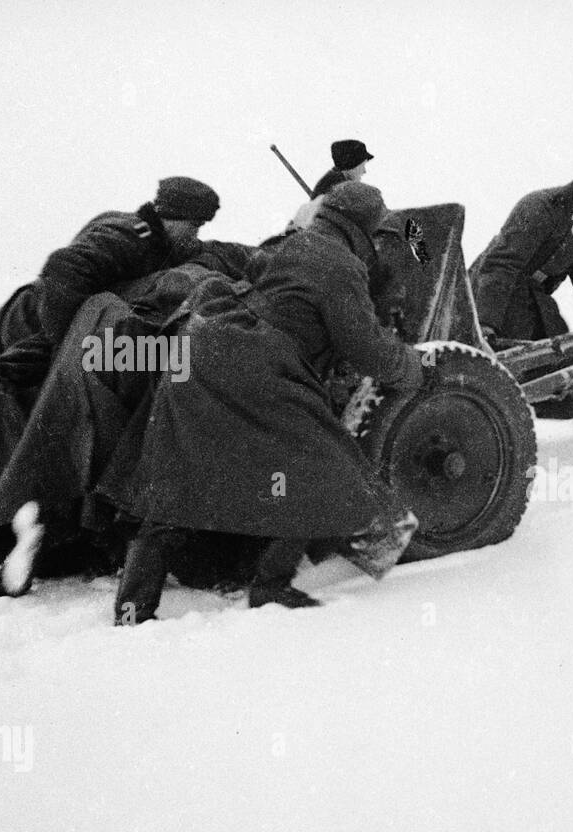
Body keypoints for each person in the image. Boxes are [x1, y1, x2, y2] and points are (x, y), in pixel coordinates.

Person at [106, 182, 424, 624]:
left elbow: (254, 271)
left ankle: (132, 608)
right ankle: (271, 585)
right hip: (259, 365)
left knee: (180, 477)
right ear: (362, 229)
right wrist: (411, 366)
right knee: (318, 467)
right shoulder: (342, 265)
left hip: (204, 346)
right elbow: (365, 348)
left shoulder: (296, 245)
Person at [0, 177, 221, 564]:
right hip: (34, 327)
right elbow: (64, 270)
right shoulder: (128, 235)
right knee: (25, 435)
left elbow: (199, 255)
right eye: (195, 225)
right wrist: (61, 345)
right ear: (173, 216)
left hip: (57, 330)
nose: (197, 235)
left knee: (32, 436)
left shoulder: (155, 239)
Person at [468, 162, 573, 424]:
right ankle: (487, 427)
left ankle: (513, 421)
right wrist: (486, 323)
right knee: (509, 361)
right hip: (496, 292)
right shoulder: (543, 206)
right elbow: (500, 265)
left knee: (563, 357)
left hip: (530, 295)